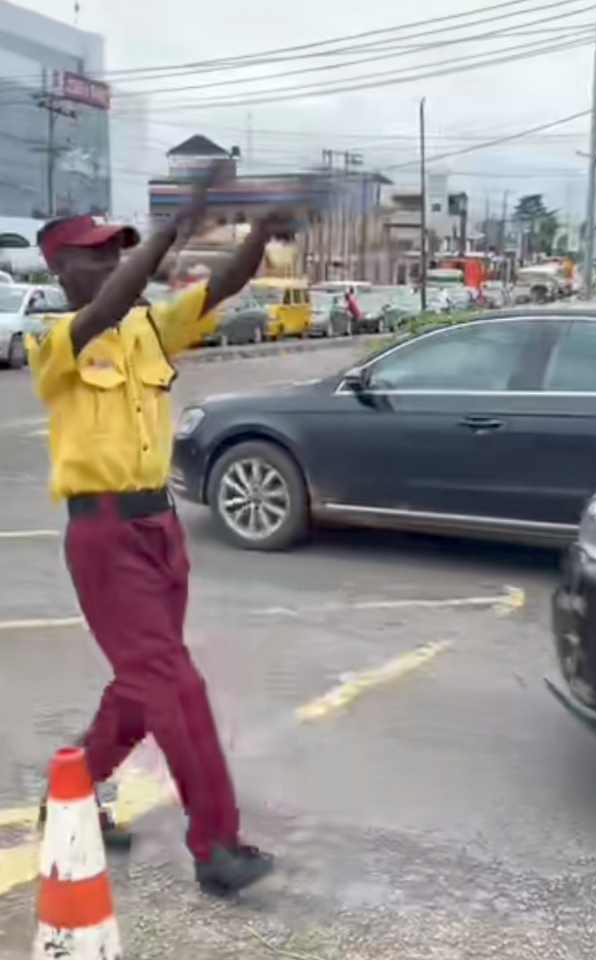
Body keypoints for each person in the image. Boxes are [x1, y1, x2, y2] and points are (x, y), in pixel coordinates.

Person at [28, 171, 296, 897]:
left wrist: (258, 237)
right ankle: (216, 845)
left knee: (141, 690)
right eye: (98, 253)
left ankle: (68, 800)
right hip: (106, 540)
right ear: (59, 267)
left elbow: (220, 290)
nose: (115, 261)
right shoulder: (55, 343)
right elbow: (109, 304)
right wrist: (168, 234)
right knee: (175, 689)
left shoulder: (148, 328)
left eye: (120, 248)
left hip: (160, 530)